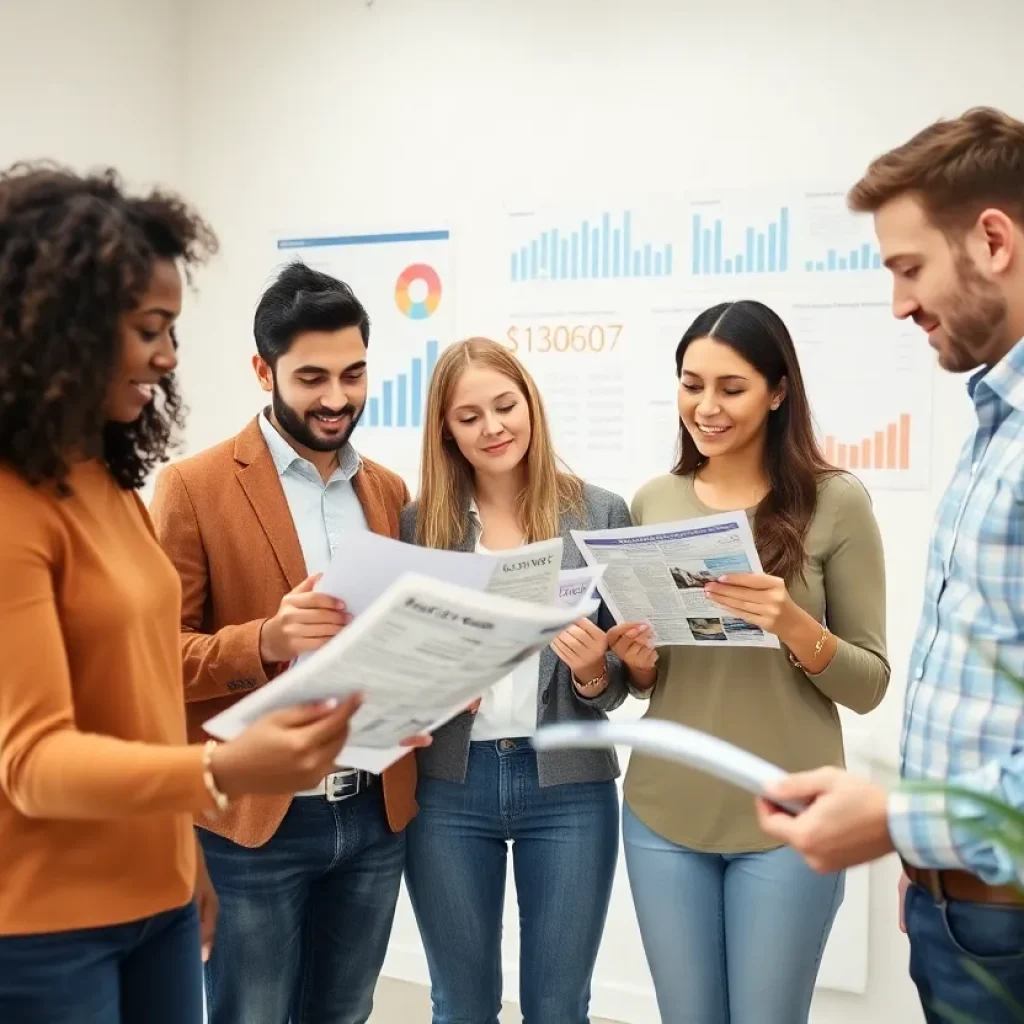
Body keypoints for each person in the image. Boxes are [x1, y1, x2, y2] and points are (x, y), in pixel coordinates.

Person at [0, 164, 364, 1024]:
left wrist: (184, 861)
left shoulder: (109, 480)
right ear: (63, 330)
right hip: (47, 920)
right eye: (147, 329)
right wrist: (223, 767)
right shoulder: (13, 504)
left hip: (157, 899)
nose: (167, 356)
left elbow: (138, 697)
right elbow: (33, 763)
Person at [756, 107, 1024, 1023]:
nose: (899, 303)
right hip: (960, 914)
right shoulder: (996, 427)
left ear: (993, 239)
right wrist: (922, 855)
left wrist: (894, 819)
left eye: (909, 268)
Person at [149, 262, 426, 1024]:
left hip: (374, 814)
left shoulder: (388, 491)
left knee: (344, 1013)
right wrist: (264, 638)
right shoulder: (192, 488)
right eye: (311, 377)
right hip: (254, 824)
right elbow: (156, 661)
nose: (337, 398)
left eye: (354, 373)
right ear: (262, 370)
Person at [616, 299, 890, 1024]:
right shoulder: (653, 501)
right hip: (662, 812)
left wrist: (792, 622)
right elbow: (657, 682)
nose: (705, 407)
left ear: (778, 391)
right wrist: (640, 666)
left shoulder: (837, 503)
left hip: (788, 819)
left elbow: (870, 685)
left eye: (730, 388)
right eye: (690, 383)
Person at [400, 337, 632, 1024]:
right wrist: (433, 686)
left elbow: (629, 673)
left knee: (559, 1008)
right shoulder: (419, 526)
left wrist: (595, 674)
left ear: (531, 403)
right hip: (448, 785)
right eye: (469, 416)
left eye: (506, 406)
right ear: (445, 427)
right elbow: (396, 661)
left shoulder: (599, 513)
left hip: (567, 785)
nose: (493, 427)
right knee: (461, 1005)